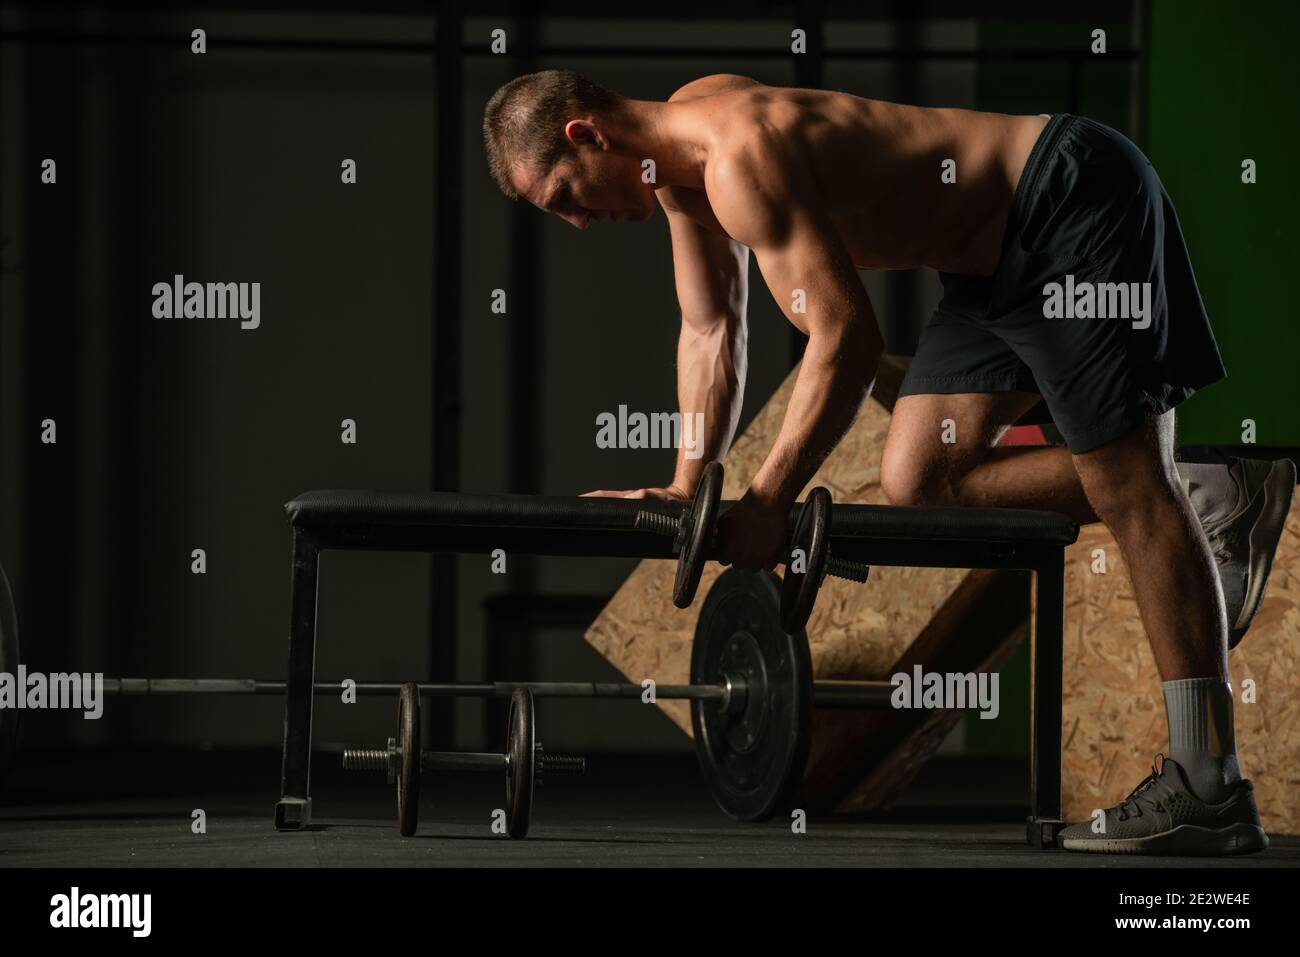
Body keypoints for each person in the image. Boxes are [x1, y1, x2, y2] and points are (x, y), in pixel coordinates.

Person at [482, 70, 1294, 855]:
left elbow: (844, 341)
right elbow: (709, 329)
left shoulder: (737, 157)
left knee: (1126, 488)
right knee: (921, 481)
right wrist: (691, 487)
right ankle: (1187, 489)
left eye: (564, 198)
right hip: (986, 271)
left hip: (1064, 199)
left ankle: (1209, 783)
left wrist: (767, 499)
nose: (579, 222)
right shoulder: (679, 157)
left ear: (585, 135)